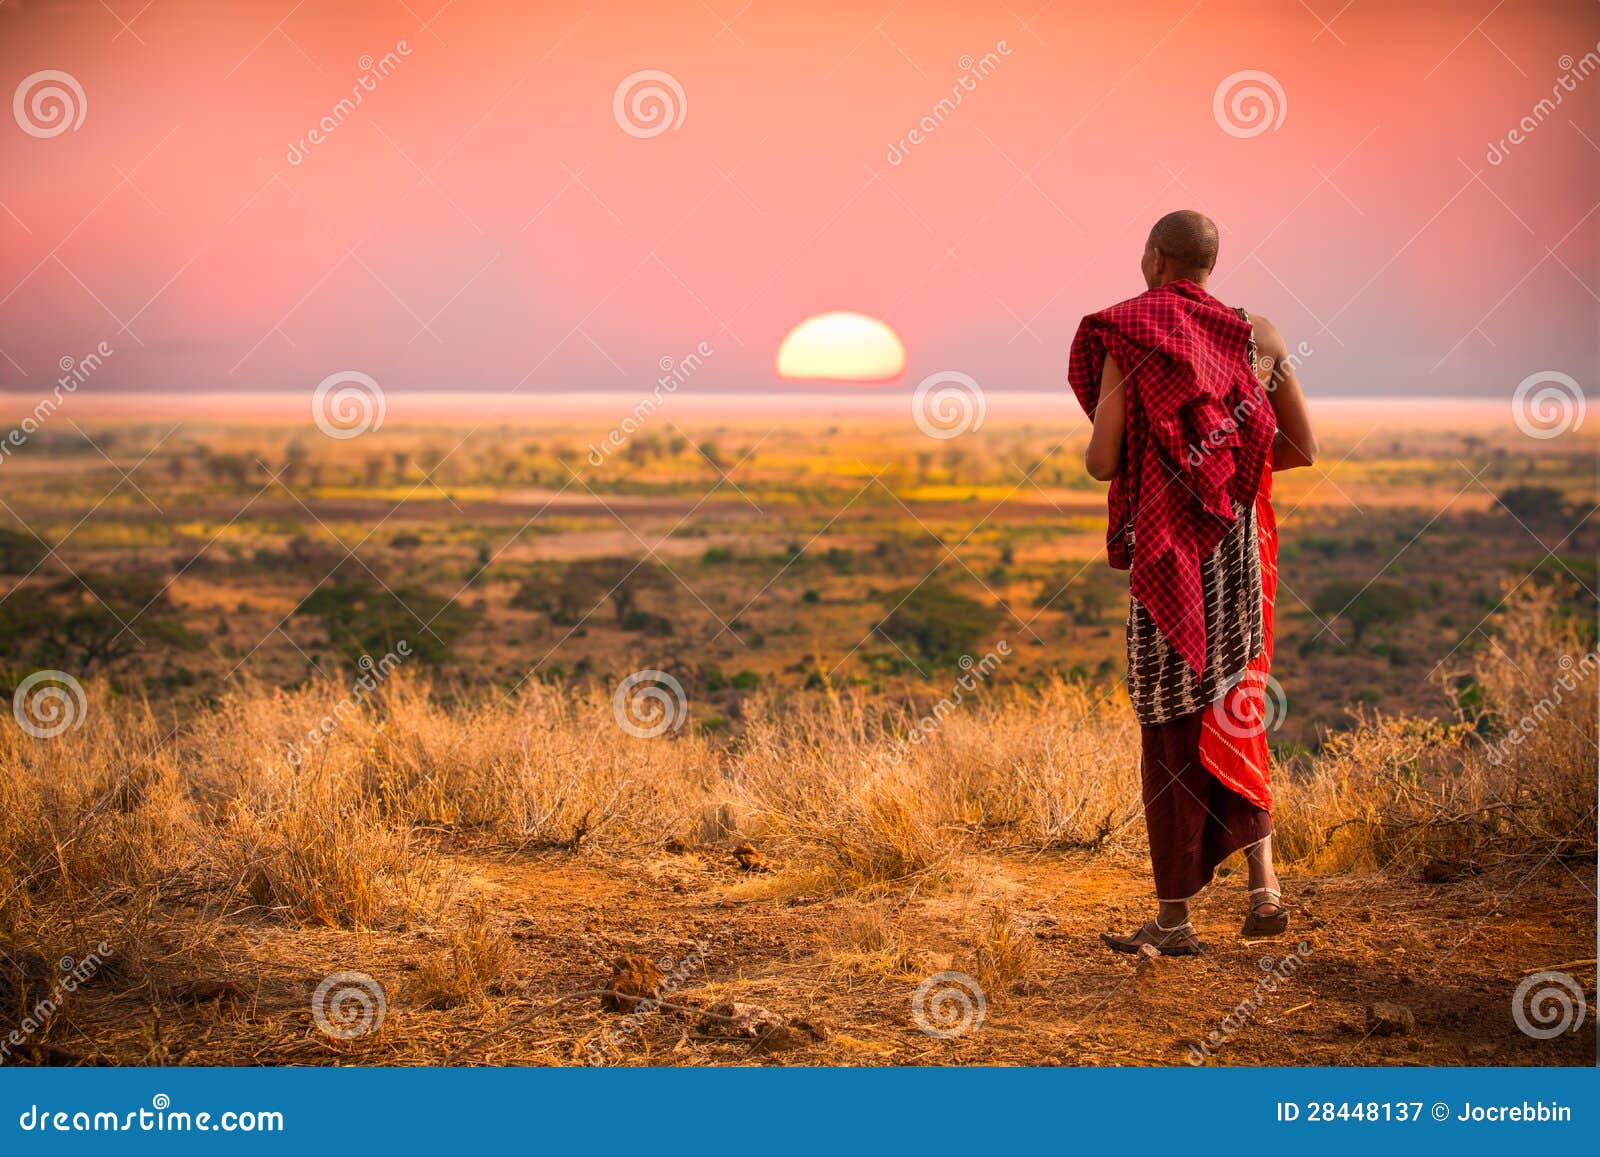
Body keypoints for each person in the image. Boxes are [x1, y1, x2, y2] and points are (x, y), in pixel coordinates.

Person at [1068, 209, 1318, 956]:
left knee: (1171, 725)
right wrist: (1221, 471)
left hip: (1168, 556)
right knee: (1235, 705)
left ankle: (1174, 920)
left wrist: (1172, 475)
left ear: (1152, 259)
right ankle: (1264, 887)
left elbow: (1102, 461)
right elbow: (1301, 446)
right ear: (1210, 264)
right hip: (1235, 551)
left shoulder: (1125, 334)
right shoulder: (1260, 335)